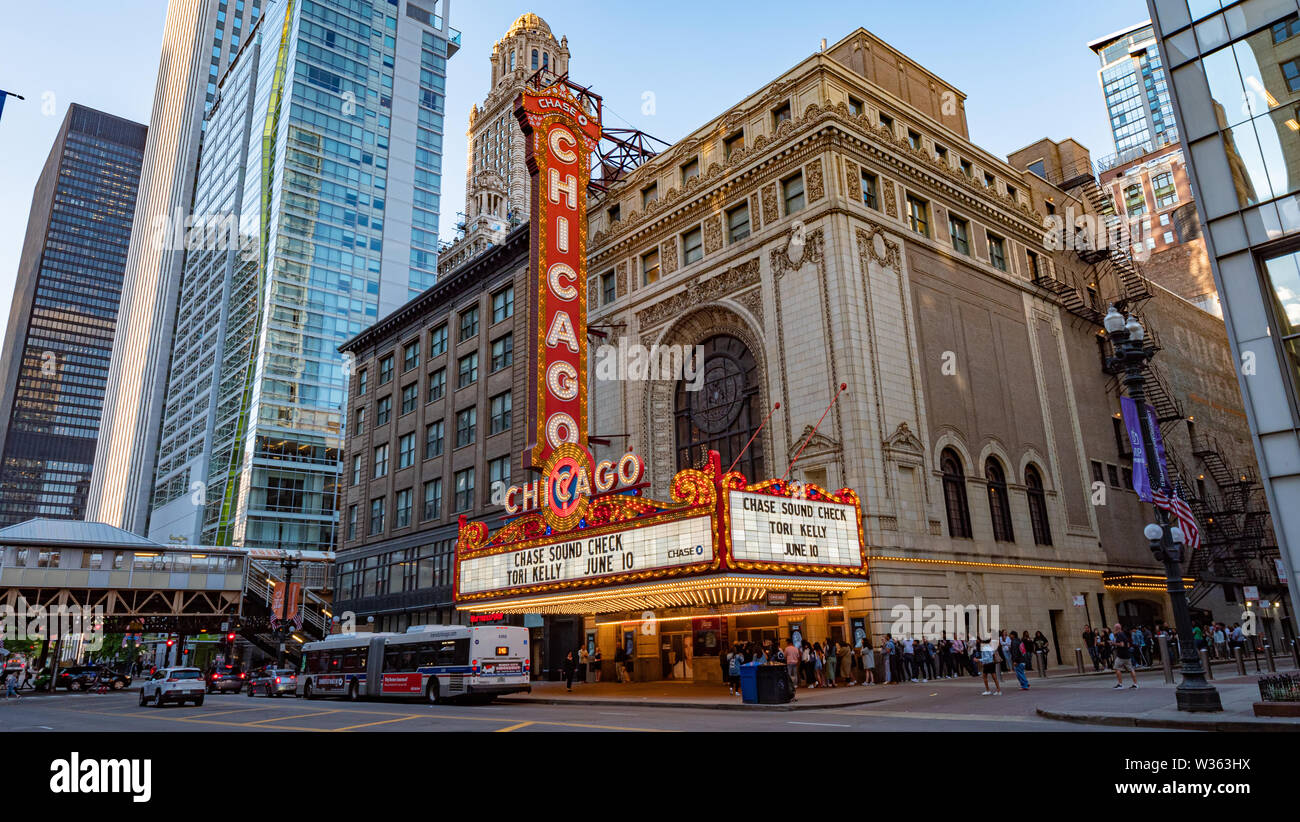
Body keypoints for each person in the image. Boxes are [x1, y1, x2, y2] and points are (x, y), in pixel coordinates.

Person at [1111, 623, 1138, 689]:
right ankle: (1135, 684)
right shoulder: (1125, 634)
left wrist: (1113, 643)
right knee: (1131, 669)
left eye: (1115, 628)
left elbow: (1122, 644)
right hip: (1127, 654)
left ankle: (1120, 684)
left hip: (1121, 655)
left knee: (1117, 668)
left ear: (1117, 628)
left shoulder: (1120, 635)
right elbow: (1128, 644)